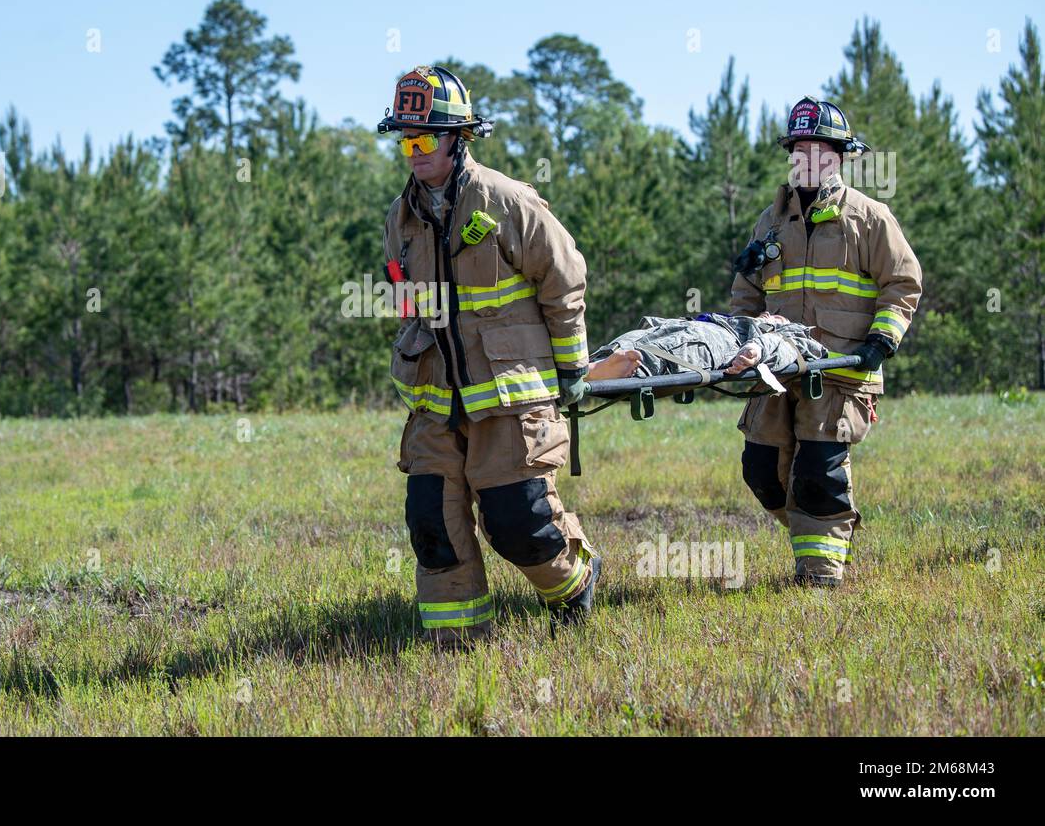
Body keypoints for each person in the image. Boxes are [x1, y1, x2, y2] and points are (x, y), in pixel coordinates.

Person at [379, 65, 599, 643]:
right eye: (405, 140)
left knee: (519, 526)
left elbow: (564, 278)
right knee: (432, 524)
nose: (413, 151)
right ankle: (458, 646)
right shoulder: (400, 220)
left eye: (423, 138)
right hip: (434, 402)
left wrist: (573, 365)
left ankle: (575, 584)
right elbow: (409, 303)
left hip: (509, 395)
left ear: (458, 138)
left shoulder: (506, 201)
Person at [731, 96, 922, 586]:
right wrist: (740, 338)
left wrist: (881, 341)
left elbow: (902, 283)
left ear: (839, 156)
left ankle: (820, 579)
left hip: (841, 372)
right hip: (774, 371)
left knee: (818, 475)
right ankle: (820, 531)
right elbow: (746, 295)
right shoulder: (770, 222)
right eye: (798, 150)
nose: (805, 160)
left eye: (817, 150)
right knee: (761, 469)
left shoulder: (869, 218)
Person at [586, 312, 825, 381]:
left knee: (675, 349)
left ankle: (631, 367)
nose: (770, 314)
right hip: (688, 323)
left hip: (724, 341)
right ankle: (595, 365)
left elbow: (787, 346)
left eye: (777, 317)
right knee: (637, 337)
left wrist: (756, 350)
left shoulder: (781, 332)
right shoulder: (742, 318)